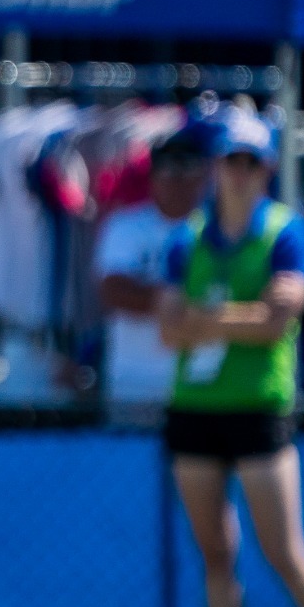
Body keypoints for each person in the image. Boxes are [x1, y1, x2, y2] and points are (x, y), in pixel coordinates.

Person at [157, 108, 304, 607]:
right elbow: (168, 325)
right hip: (196, 411)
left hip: (259, 410)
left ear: (266, 168)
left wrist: (208, 319)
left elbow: (278, 318)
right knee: (216, 554)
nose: (238, 172)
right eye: (230, 161)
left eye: (250, 162)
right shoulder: (188, 237)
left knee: (285, 554)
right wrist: (227, 320)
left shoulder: (284, 231)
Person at [94, 120, 214, 409]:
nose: (178, 180)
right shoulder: (125, 226)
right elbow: (113, 291)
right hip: (136, 383)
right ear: (153, 177)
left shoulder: (221, 230)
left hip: (205, 382)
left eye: (187, 170)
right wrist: (174, 302)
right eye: (169, 170)